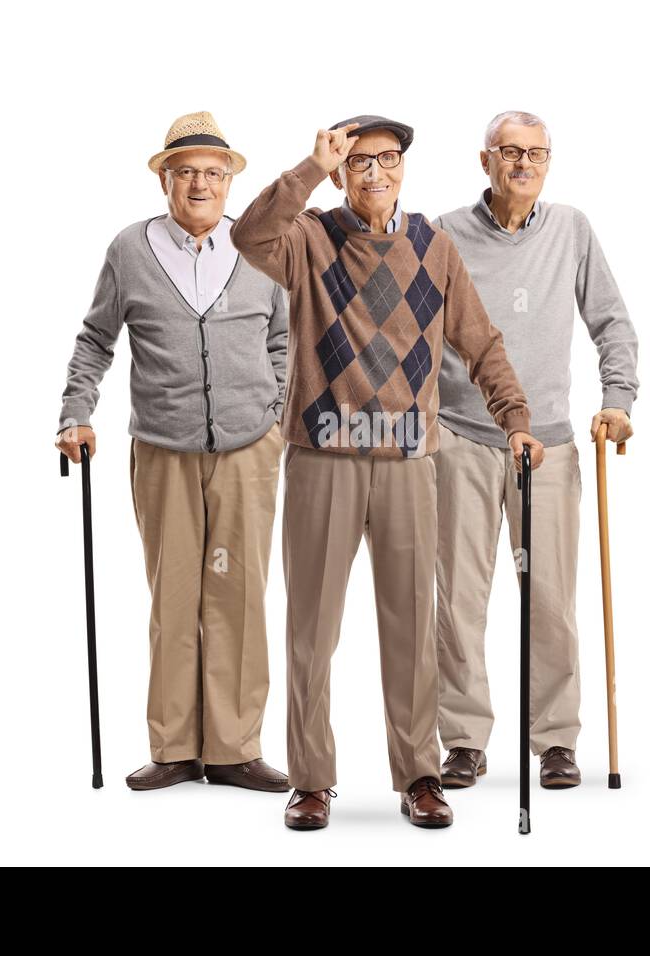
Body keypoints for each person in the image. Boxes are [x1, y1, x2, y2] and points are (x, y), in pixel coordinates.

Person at [230, 114, 544, 829]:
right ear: (341, 172)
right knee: (312, 629)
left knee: (410, 627)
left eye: (389, 159)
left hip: (408, 460)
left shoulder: (434, 248)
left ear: (405, 166)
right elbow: (249, 238)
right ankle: (311, 779)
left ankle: (419, 775)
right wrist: (308, 169)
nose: (376, 173)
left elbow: (479, 339)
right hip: (322, 459)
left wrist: (516, 420)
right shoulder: (310, 237)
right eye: (359, 162)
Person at [54, 111, 291, 795]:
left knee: (239, 592)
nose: (200, 184)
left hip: (250, 445)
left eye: (213, 173)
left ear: (228, 182)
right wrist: (76, 413)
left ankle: (235, 747)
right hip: (162, 445)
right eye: (185, 171)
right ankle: (175, 746)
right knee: (175, 592)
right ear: (165, 179)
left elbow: (285, 339)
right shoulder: (130, 250)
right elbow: (96, 340)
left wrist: (276, 414)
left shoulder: (259, 246)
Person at [432, 110, 640, 790]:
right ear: (485, 160)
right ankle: (463, 741)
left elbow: (611, 322)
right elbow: (413, 334)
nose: (524, 163)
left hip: (546, 447)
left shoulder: (571, 230)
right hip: (460, 439)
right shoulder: (444, 234)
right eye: (510, 152)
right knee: (460, 597)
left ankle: (555, 740)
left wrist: (617, 400)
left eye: (537, 153)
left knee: (548, 599)